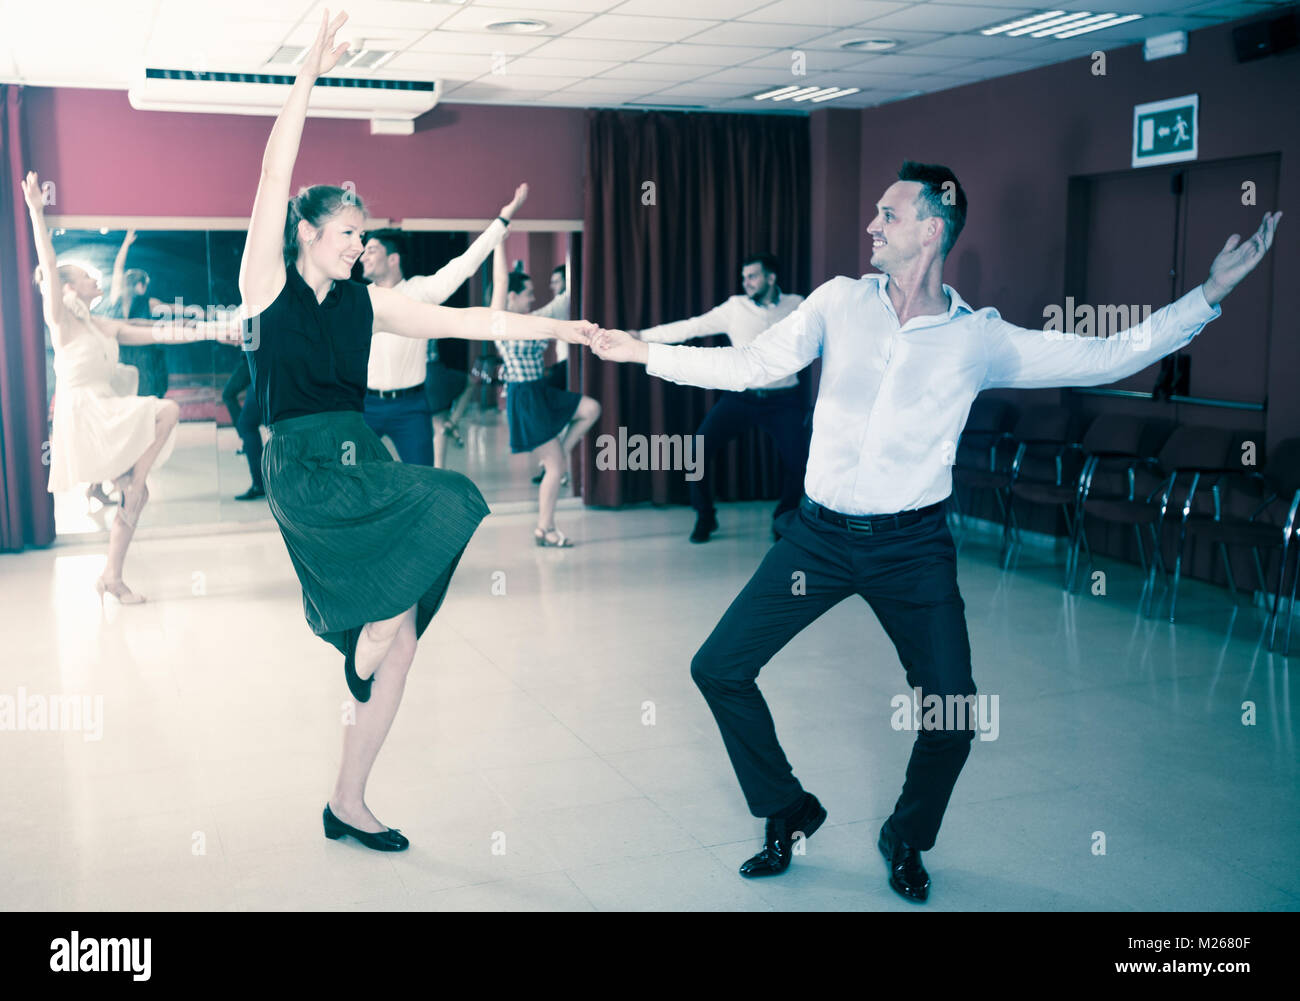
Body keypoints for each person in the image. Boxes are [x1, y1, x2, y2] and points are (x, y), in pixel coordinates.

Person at [593, 161, 1281, 902]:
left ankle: (906, 835)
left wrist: (1208, 296)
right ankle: (787, 809)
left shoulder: (976, 340)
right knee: (719, 666)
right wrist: (643, 354)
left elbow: (1106, 355)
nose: (870, 226)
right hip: (815, 538)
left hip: (910, 550)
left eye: (886, 215)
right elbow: (754, 363)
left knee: (952, 714)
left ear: (932, 227)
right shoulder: (837, 302)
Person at [238, 9, 594, 853]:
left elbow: (463, 320)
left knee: (400, 640)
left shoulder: (370, 302)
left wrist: (565, 331)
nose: (363, 244)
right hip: (300, 465)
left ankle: (349, 801)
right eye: (351, 231)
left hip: (359, 455)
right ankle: (362, 638)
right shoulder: (265, 285)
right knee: (419, 548)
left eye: (365, 234)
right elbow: (271, 168)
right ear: (309, 233)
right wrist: (310, 72)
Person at [23, 171, 238, 604]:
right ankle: (134, 483)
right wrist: (35, 212)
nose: (95, 281)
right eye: (85, 278)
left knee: (135, 495)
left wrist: (215, 329)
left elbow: (156, 333)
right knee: (167, 412)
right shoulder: (61, 322)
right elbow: (47, 264)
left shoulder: (101, 324)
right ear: (67, 288)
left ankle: (112, 574)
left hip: (105, 408)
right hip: (84, 415)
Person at [630, 254, 808, 543]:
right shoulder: (734, 308)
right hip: (741, 397)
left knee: (798, 463)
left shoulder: (798, 305)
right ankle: (705, 516)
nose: (745, 282)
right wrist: (641, 336)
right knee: (695, 453)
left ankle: (782, 518)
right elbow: (691, 327)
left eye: (752, 276)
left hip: (783, 400)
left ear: (771, 278)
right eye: (744, 277)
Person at [359, 183, 529, 468]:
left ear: (393, 258)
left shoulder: (420, 291)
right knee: (354, 479)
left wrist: (502, 220)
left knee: (424, 480)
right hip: (366, 406)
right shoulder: (359, 298)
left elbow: (464, 266)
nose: (363, 255)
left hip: (411, 407)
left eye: (371, 250)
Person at [495, 253, 599, 547]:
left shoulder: (535, 319)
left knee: (591, 408)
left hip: (540, 390)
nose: (532, 298)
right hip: (524, 397)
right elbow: (500, 282)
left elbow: (561, 302)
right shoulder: (499, 324)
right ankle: (545, 529)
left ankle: (560, 454)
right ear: (511, 297)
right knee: (555, 468)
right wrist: (499, 242)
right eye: (527, 294)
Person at [104, 229, 170, 399]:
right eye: (145, 285)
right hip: (143, 356)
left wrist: (126, 244)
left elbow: (117, 268)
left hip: (122, 355)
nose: (146, 289)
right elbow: (172, 308)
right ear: (140, 285)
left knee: (127, 395)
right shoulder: (147, 301)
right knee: (145, 395)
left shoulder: (116, 297)